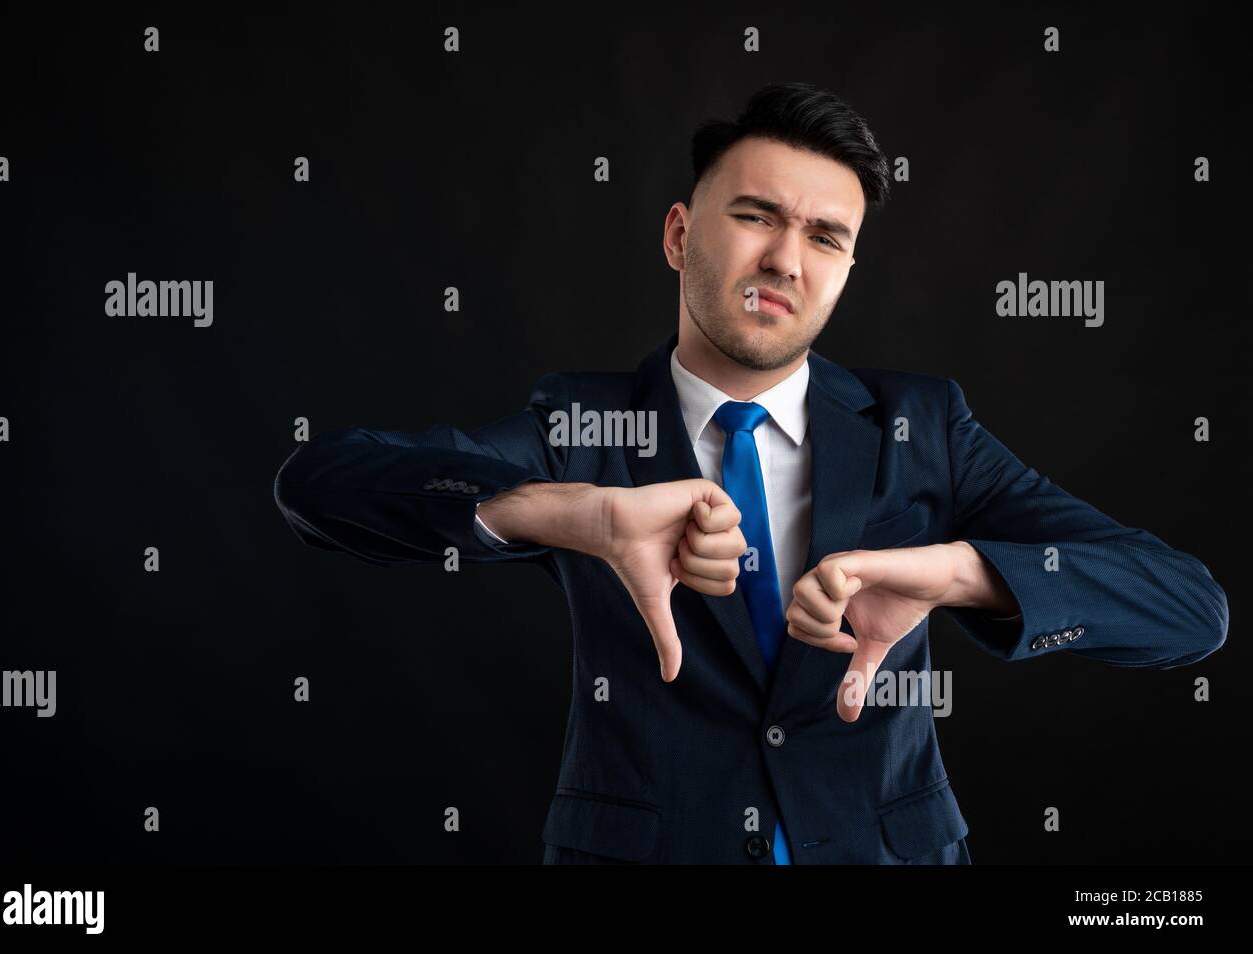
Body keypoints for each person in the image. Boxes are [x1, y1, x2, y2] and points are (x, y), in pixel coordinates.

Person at [272, 82, 1228, 864]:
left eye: (826, 236)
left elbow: (1189, 611)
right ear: (680, 235)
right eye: (757, 216)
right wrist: (561, 513)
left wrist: (959, 575)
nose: (785, 259)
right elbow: (320, 486)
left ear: (847, 268)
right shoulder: (582, 421)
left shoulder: (923, 427)